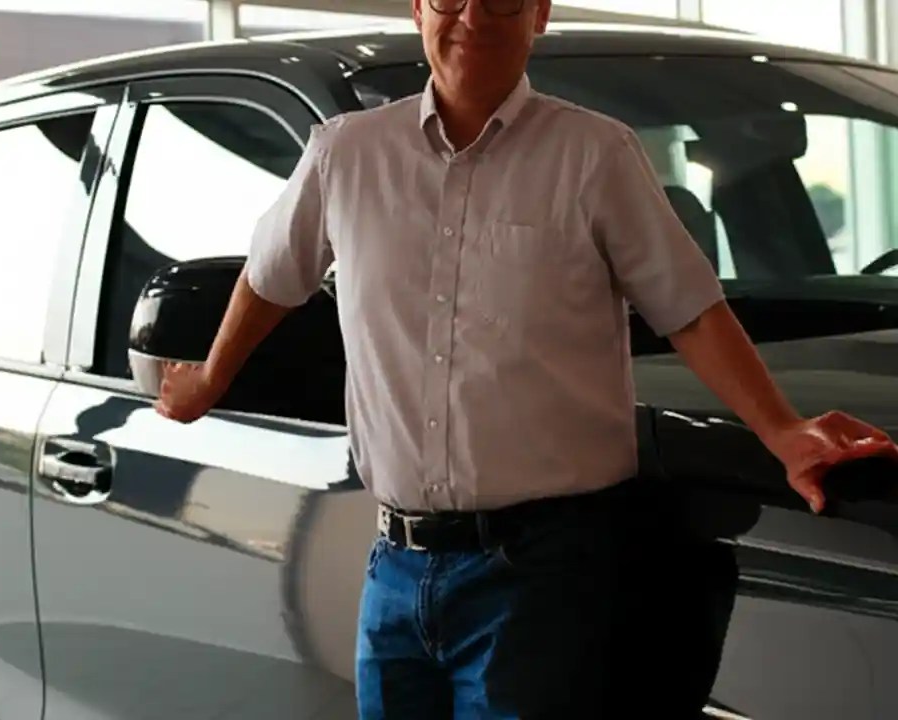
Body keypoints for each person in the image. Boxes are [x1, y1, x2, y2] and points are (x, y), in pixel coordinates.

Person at [154, 0, 898, 717]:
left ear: (539, 12)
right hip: (392, 568)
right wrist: (211, 380)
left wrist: (780, 431)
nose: (472, 19)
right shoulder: (346, 155)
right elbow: (269, 279)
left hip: (542, 574)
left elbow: (690, 310)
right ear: (419, 8)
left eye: (502, 2)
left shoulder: (594, 155)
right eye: (451, 0)